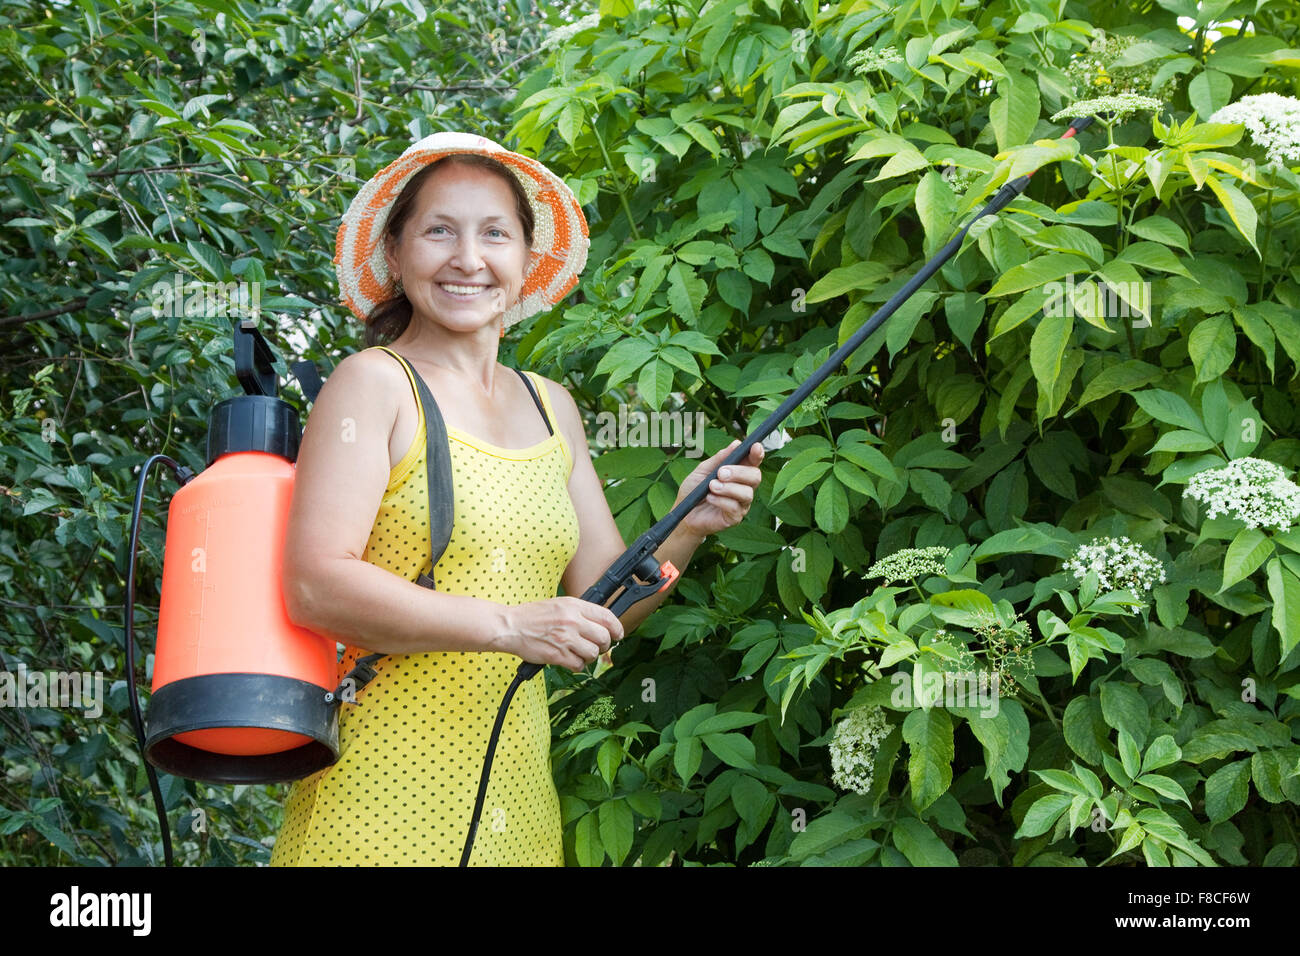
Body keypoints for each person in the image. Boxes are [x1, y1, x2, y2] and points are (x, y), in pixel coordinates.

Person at [268, 132, 764, 866]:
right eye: (440, 230)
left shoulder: (550, 405)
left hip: (517, 807)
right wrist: (506, 625)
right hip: (375, 801)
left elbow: (606, 603)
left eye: (494, 233)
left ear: (526, 259)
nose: (469, 258)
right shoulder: (372, 384)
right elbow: (315, 584)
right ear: (397, 254)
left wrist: (685, 524)